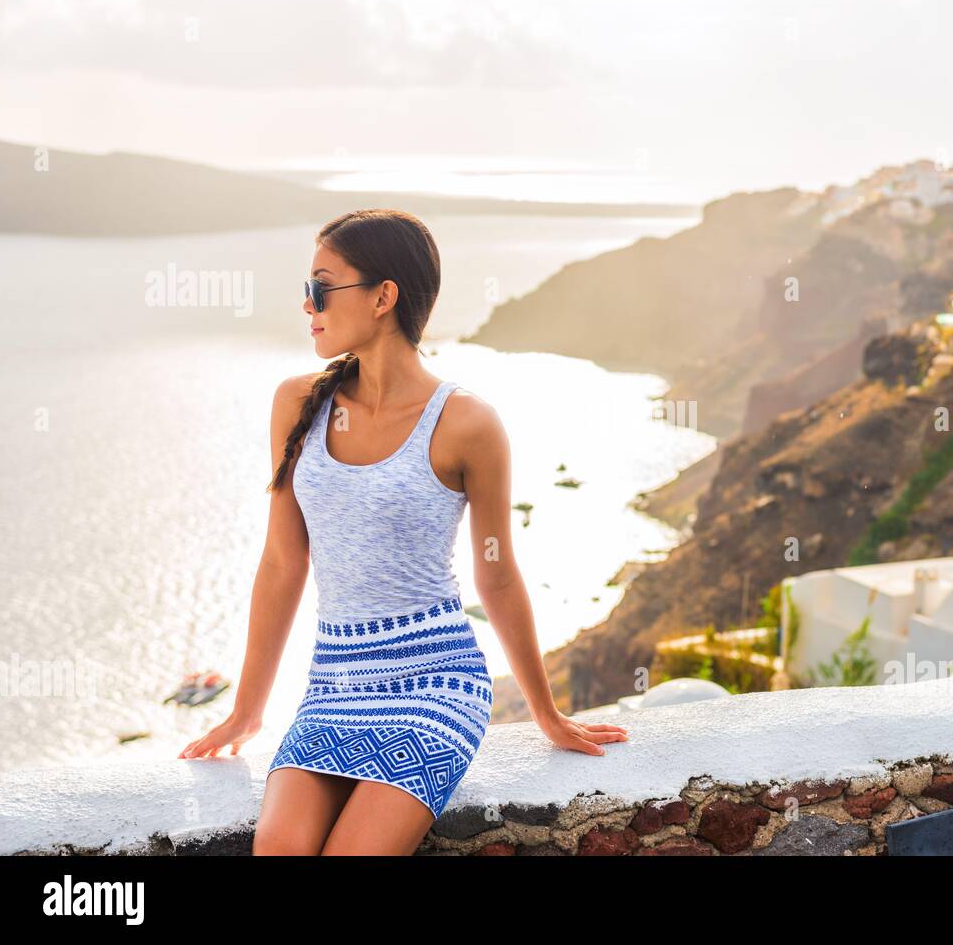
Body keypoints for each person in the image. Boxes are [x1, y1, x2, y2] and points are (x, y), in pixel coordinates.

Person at [178, 209, 628, 855]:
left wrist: (545, 712)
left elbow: (496, 572)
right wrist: (248, 708)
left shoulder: (468, 424)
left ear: (383, 296)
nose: (308, 305)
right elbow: (283, 561)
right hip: (333, 684)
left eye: (321, 288)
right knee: (277, 848)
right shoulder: (296, 405)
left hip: (434, 684)